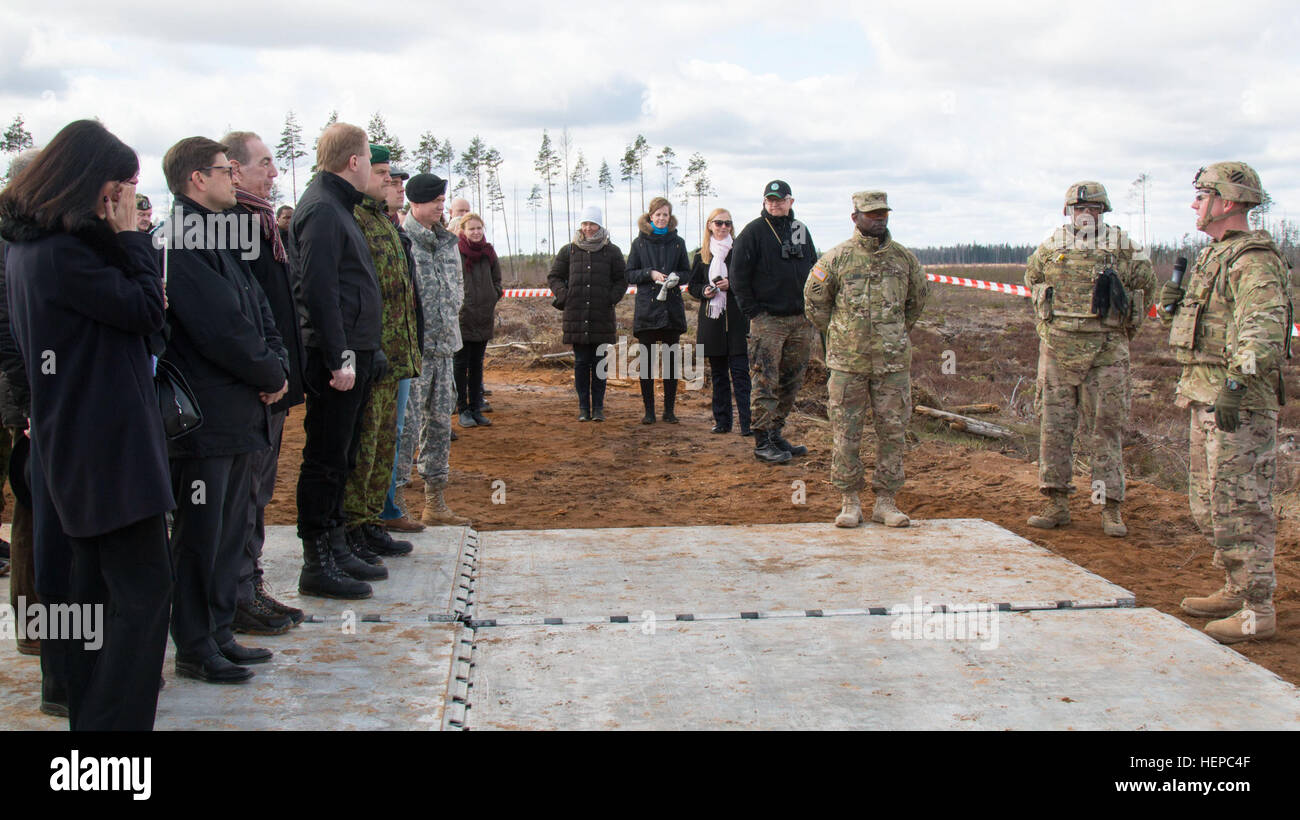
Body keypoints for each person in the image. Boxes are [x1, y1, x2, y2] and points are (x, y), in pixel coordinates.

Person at [0, 119, 173, 729]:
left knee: (89, 597)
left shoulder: (31, 248)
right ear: (90, 185)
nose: (125, 200)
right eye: (121, 186)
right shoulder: (67, 255)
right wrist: (131, 242)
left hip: (74, 444)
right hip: (106, 451)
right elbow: (149, 311)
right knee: (143, 593)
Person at [159, 136, 289, 683]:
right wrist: (267, 371)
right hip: (209, 418)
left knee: (228, 526)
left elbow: (256, 307)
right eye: (221, 171)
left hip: (238, 413)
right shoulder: (181, 242)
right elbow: (219, 328)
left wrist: (276, 363)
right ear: (196, 180)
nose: (231, 180)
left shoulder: (215, 234)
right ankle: (194, 644)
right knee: (200, 534)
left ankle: (217, 631)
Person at [1161, 162, 1290, 644]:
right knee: (1210, 502)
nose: (1195, 205)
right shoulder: (1217, 255)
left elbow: (1263, 328)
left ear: (1227, 202)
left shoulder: (1253, 259)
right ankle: (1236, 588)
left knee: (1242, 504)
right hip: (1205, 394)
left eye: (1202, 196)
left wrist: (1237, 385)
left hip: (1237, 402)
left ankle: (1257, 608)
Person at [1024, 181, 1157, 537]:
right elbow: (1033, 280)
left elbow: (1145, 288)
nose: (1085, 215)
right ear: (1068, 211)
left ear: (1103, 212)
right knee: (1054, 429)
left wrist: (1121, 330)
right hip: (1058, 349)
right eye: (1078, 209)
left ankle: (1109, 506)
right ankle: (1056, 502)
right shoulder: (1052, 246)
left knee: (1106, 430)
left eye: (1093, 209)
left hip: (1106, 350)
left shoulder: (1125, 247)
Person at [290, 122, 384, 599]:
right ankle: (317, 560)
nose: (371, 167)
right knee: (325, 458)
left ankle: (337, 542)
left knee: (343, 455)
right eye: (368, 158)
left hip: (356, 353)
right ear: (353, 162)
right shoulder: (323, 210)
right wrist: (339, 357)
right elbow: (318, 292)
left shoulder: (340, 207)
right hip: (337, 361)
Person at [224, 130, 307, 634]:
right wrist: (268, 371)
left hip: (273, 383)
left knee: (257, 493)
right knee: (243, 496)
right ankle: (235, 594)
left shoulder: (259, 224)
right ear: (233, 170)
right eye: (264, 164)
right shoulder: (230, 227)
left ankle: (248, 585)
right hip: (253, 388)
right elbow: (235, 318)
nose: (274, 173)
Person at [804, 191, 927, 528]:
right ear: (855, 216)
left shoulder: (904, 260)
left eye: (883, 213)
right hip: (847, 364)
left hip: (892, 366)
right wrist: (844, 334)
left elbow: (916, 302)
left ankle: (886, 502)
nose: (879, 219)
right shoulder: (836, 260)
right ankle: (849, 502)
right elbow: (816, 306)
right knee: (846, 433)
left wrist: (893, 334)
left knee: (893, 433)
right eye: (872, 214)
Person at [341, 145, 421, 563]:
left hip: (393, 354)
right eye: (386, 175)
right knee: (364, 446)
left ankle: (370, 521)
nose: (393, 184)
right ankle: (352, 528)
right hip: (371, 353)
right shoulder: (354, 219)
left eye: (394, 178)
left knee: (384, 443)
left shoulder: (383, 222)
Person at [730, 180, 817, 463]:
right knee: (765, 380)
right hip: (767, 320)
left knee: (791, 380)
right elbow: (738, 275)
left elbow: (813, 269)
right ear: (764, 202)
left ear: (790, 201)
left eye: (779, 200)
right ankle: (762, 441)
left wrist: (812, 308)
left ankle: (776, 432)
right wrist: (752, 311)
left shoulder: (800, 230)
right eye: (769, 200)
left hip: (800, 320)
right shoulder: (753, 232)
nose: (774, 204)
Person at [401, 173, 469, 525]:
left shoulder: (447, 242)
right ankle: (394, 504)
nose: (441, 207)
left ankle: (435, 502)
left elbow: (457, 287)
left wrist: (448, 318)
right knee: (407, 427)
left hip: (445, 349)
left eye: (443, 201)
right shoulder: (403, 240)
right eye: (435, 202)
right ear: (414, 204)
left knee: (440, 424)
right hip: (413, 353)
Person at [548, 205, 627, 421]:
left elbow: (622, 279)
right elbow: (554, 276)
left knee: (600, 363)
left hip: (601, 317)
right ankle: (584, 407)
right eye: (584, 224)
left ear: (599, 225)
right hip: (576, 316)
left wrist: (610, 298)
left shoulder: (612, 251)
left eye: (592, 224)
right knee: (582, 363)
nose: (588, 228)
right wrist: (564, 295)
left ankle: (598, 408)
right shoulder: (569, 250)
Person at [380, 169, 426, 533]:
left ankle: (386, 510)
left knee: (394, 432)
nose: (398, 187)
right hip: (379, 354)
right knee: (383, 435)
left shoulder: (391, 228)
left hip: (404, 349)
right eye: (388, 178)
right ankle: (375, 514)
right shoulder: (364, 225)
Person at [626, 196, 691, 424]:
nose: (662, 218)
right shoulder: (639, 243)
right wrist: (650, 274)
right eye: (658, 214)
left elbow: (687, 271)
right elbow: (629, 273)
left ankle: (669, 411)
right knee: (647, 363)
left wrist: (677, 277)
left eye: (665, 214)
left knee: (672, 363)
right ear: (650, 216)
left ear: (669, 217)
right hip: (647, 310)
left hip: (671, 310)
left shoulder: (678, 242)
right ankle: (649, 411)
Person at [688, 208, 750, 435]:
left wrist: (730, 284)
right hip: (712, 323)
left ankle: (747, 423)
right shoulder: (700, 255)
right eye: (719, 223)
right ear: (709, 225)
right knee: (719, 375)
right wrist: (704, 291)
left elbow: (748, 282)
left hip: (736, 322)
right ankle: (723, 422)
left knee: (741, 375)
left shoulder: (740, 252)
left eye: (728, 223)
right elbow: (692, 285)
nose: (723, 227)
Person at [455, 212, 502, 428]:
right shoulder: (456, 252)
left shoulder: (489, 253)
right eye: (471, 228)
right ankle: (462, 409)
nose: (476, 232)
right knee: (460, 366)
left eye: (479, 228)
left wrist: (492, 296)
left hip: (483, 318)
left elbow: (497, 281)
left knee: (477, 366)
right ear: (463, 231)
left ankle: (476, 408)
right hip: (462, 320)